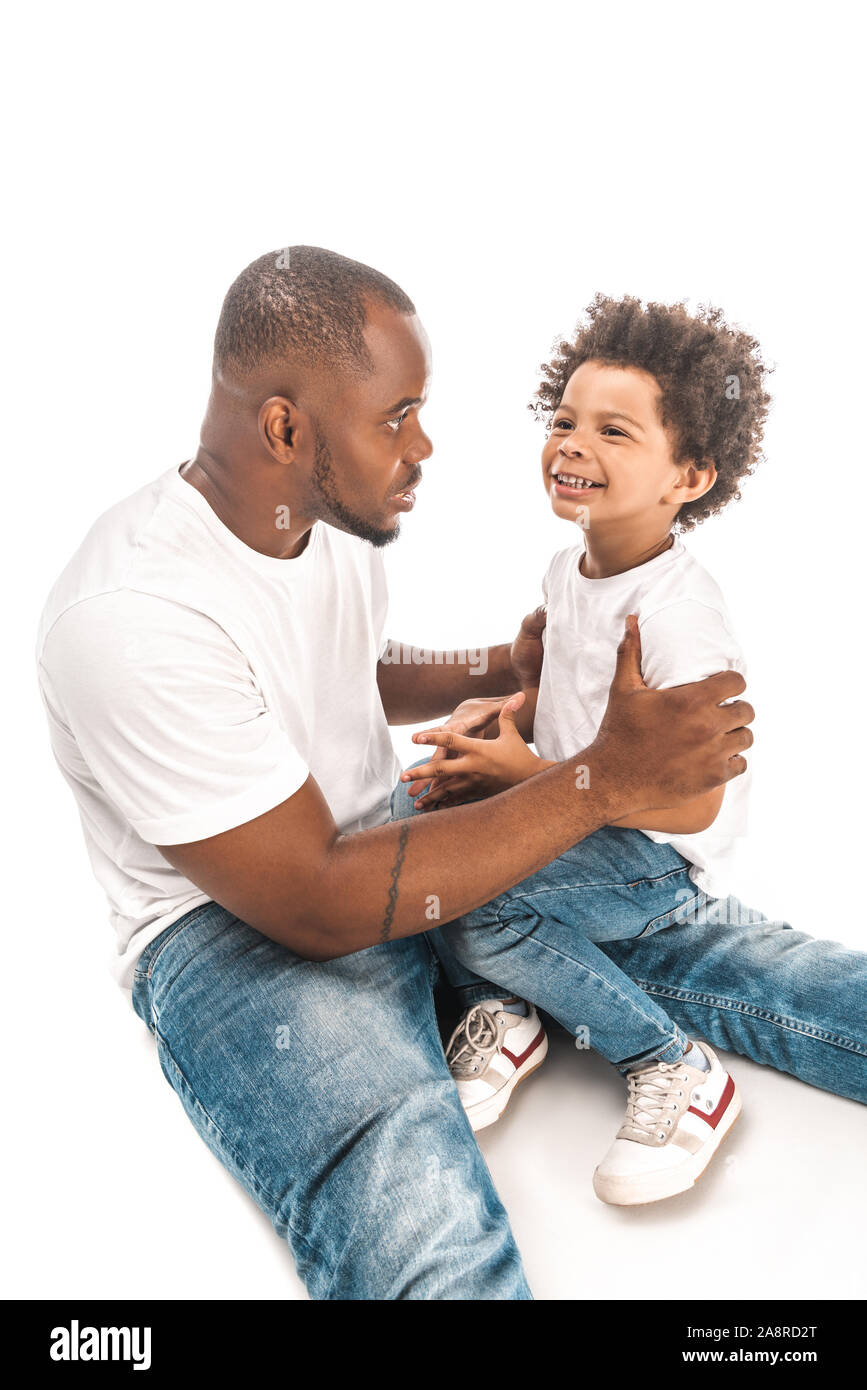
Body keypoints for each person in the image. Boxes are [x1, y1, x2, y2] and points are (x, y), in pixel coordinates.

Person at [37, 247, 756, 1299]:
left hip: (370, 837)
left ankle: (561, 1027)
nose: (424, 444)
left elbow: (337, 665)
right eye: (398, 415)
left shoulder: (318, 519)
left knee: (712, 958)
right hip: (237, 926)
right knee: (422, 1228)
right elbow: (319, 900)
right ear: (286, 428)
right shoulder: (130, 618)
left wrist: (496, 669)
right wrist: (598, 779)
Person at [394, 295, 867, 1207]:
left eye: (615, 432)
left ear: (687, 477)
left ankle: (671, 1063)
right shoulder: (567, 571)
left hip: (651, 862)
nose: (573, 445)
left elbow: (689, 806)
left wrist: (522, 779)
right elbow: (571, 714)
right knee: (424, 823)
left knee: (476, 897)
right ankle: (507, 1007)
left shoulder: (679, 617)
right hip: (574, 822)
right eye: (565, 421)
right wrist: (504, 721)